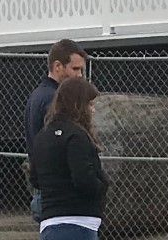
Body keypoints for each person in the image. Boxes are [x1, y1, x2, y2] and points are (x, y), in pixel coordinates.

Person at [30, 76, 109, 240]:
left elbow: (35, 179)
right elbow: (83, 179)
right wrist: (102, 185)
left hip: (49, 221)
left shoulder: (42, 136)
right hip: (78, 222)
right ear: (78, 105)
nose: (92, 110)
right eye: (89, 104)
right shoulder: (77, 137)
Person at [26, 40, 89, 218]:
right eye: (75, 69)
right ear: (58, 66)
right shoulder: (53, 101)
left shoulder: (38, 95)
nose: (80, 75)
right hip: (56, 193)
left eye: (81, 70)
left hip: (46, 188)